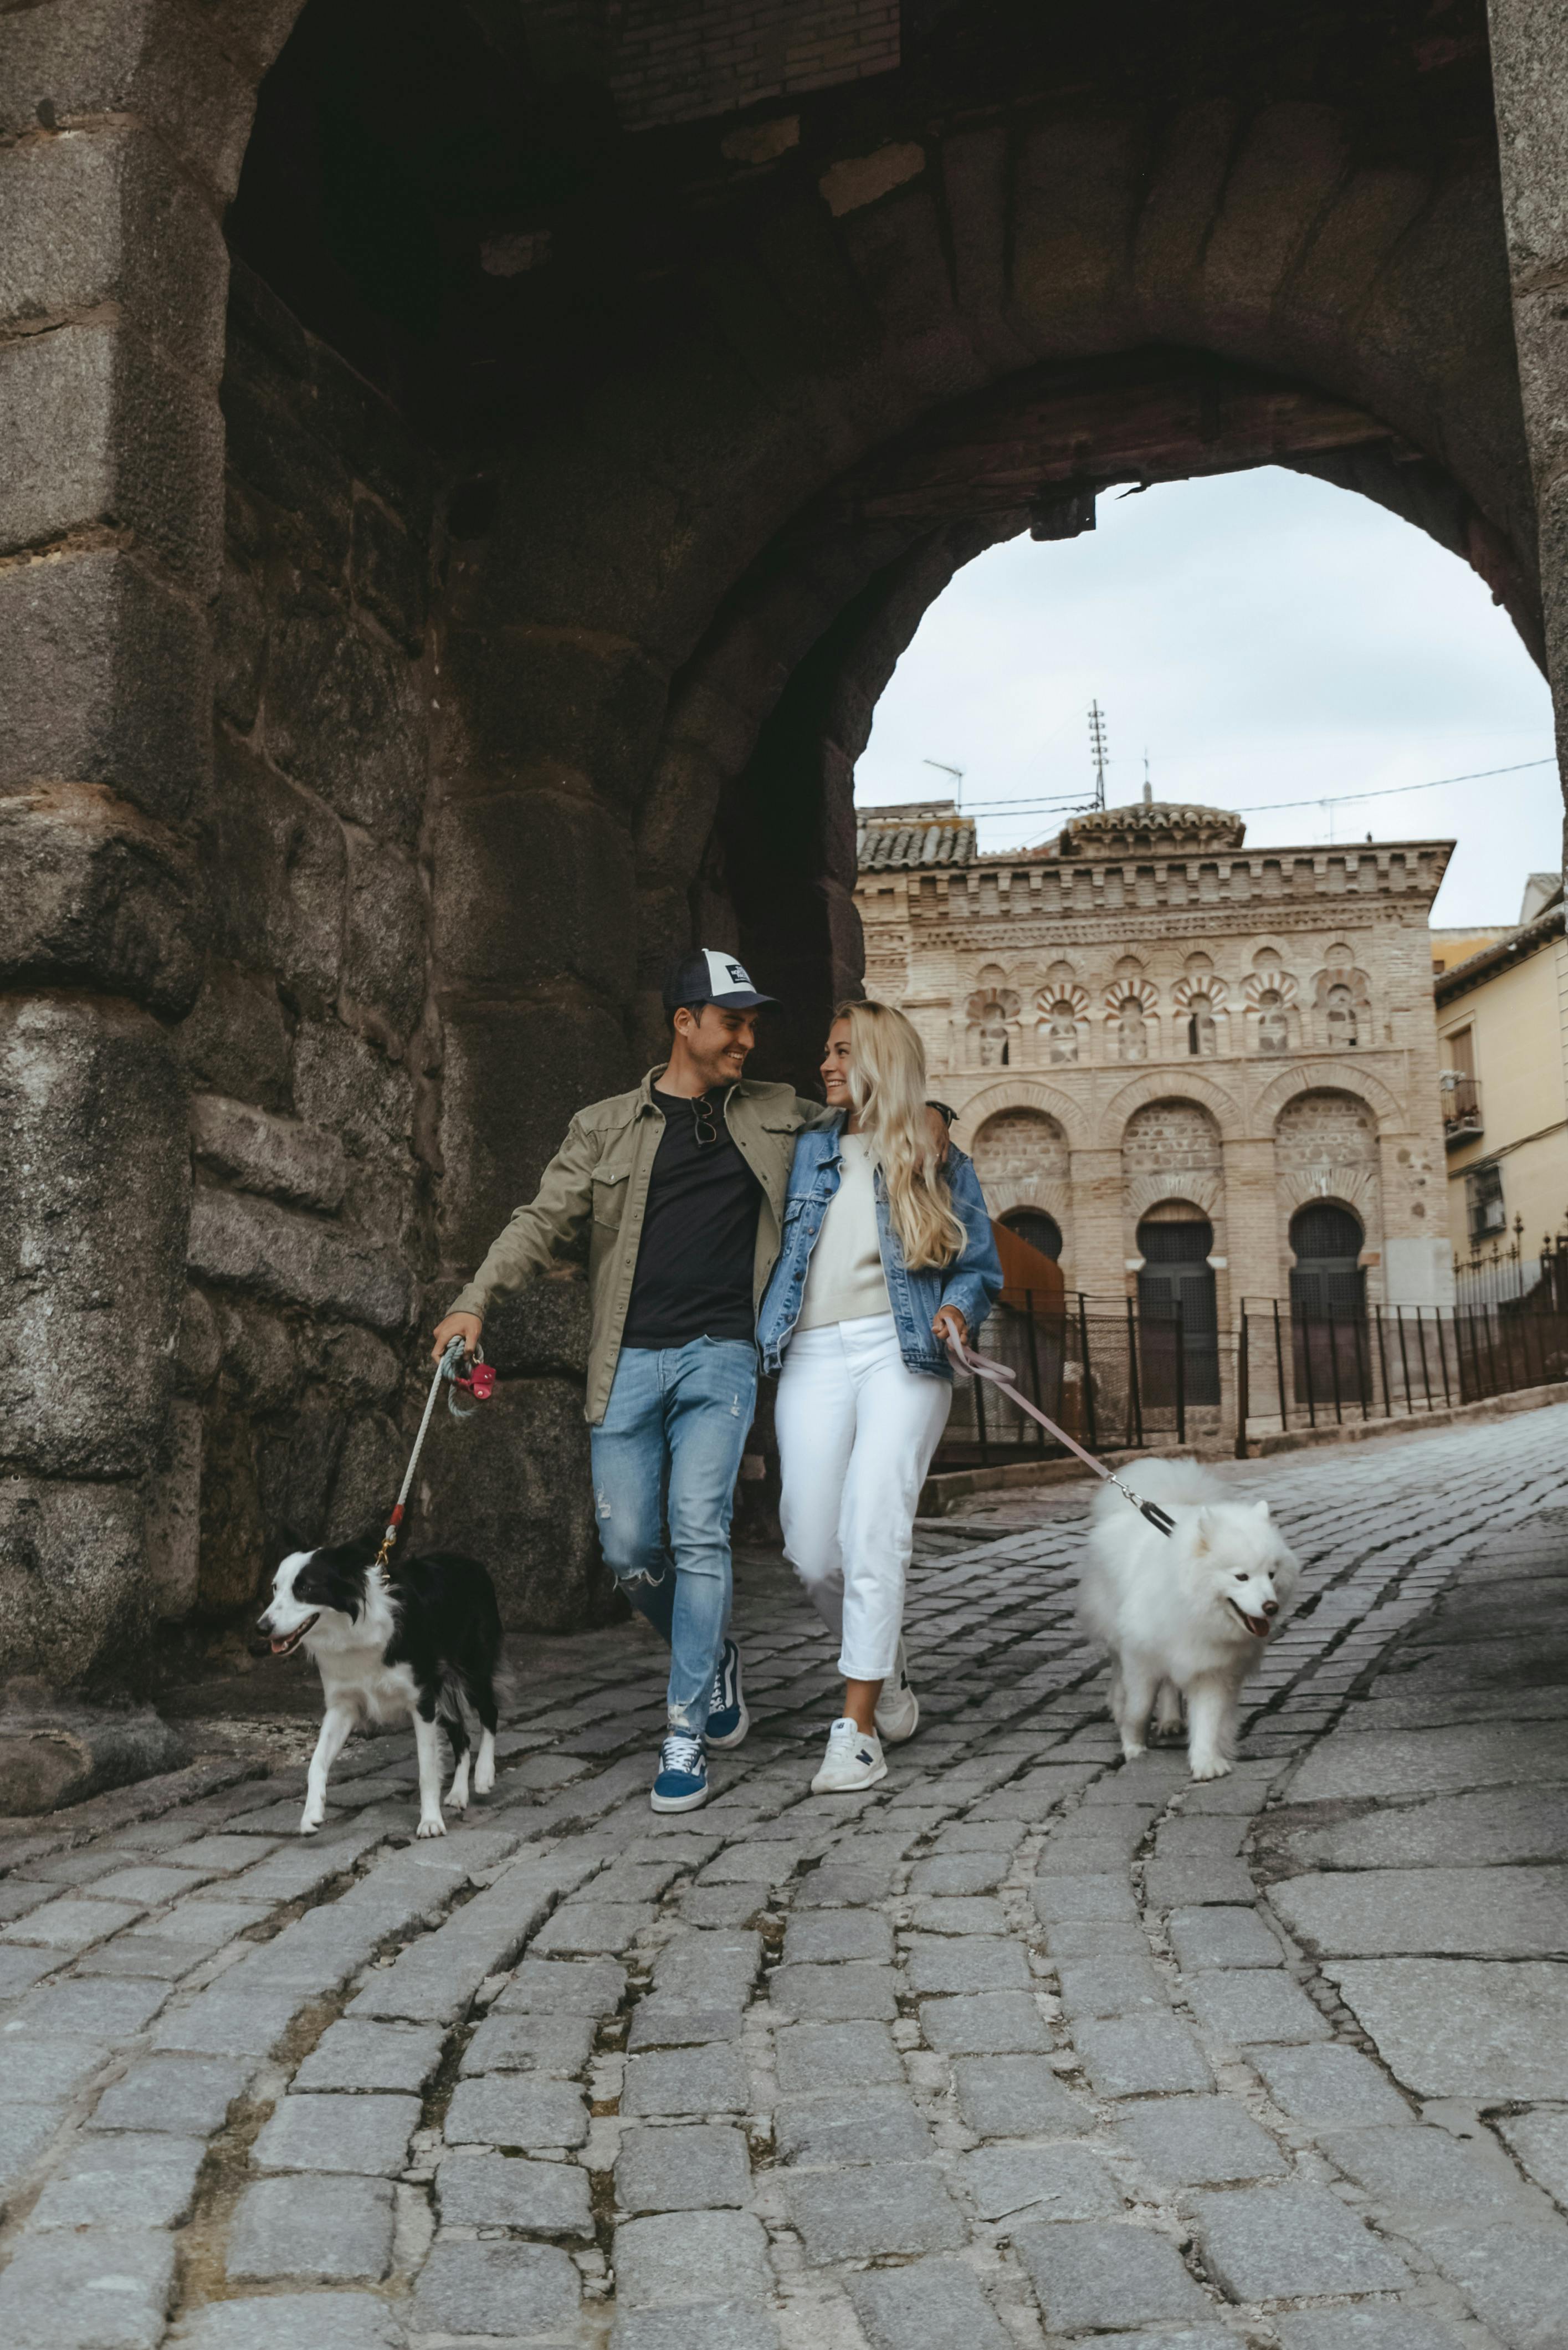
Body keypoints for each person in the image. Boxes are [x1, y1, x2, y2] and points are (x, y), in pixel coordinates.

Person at [431, 950, 829, 1813]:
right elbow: (538, 1221)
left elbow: (872, 1116)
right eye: (734, 1022)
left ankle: (685, 1726)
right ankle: (710, 1653)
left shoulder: (777, 1115)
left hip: (721, 1355)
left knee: (699, 1531)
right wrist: (474, 1303)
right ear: (684, 1022)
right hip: (628, 1361)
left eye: (753, 1023)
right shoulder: (604, 1125)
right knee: (627, 1549)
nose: (748, 1039)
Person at [757, 1000, 1002, 1793]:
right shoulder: (802, 1146)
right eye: (826, 1051)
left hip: (902, 1349)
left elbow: (979, 1266)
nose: (825, 1064)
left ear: (880, 1061)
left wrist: (956, 1308)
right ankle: (886, 1671)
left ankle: (856, 1729)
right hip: (811, 1352)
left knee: (873, 1527)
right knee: (808, 1548)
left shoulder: (936, 1154)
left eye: (841, 1052)